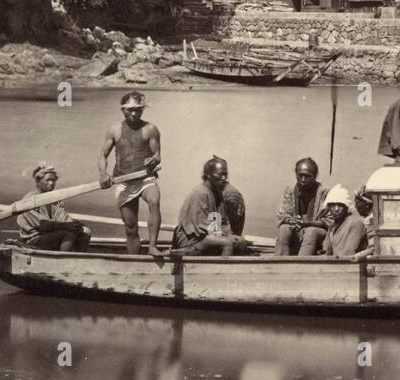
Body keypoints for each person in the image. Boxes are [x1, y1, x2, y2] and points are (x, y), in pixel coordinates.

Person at [98, 91, 163, 257]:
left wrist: (153, 161)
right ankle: (133, 260)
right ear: (122, 109)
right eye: (130, 110)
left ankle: (152, 247)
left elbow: (157, 155)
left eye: (138, 110)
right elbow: (102, 156)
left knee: (154, 200)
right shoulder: (114, 130)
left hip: (145, 178)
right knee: (130, 228)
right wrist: (103, 174)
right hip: (123, 181)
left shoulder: (150, 129)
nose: (134, 113)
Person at [171, 156, 248, 256]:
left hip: (207, 236)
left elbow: (222, 222)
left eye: (225, 174)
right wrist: (225, 237)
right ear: (208, 175)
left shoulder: (217, 193)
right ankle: (220, 270)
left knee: (240, 241)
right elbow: (200, 229)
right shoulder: (200, 193)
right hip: (191, 239)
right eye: (220, 174)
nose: (224, 178)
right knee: (227, 243)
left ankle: (232, 269)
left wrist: (230, 235)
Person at [17, 164, 91, 252]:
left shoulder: (55, 199)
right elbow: (42, 224)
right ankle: (63, 262)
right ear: (38, 181)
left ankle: (79, 260)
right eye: (48, 180)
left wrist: (74, 224)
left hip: (51, 235)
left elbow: (62, 218)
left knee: (85, 231)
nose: (51, 183)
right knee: (68, 234)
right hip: (34, 239)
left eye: (53, 180)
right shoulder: (28, 200)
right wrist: (67, 225)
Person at [275, 157, 330, 256]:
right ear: (296, 174)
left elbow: (329, 221)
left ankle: (301, 265)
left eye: (307, 176)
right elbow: (282, 214)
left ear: (315, 176)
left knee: (310, 232)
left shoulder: (324, 192)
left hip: (317, 234)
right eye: (300, 175)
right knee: (284, 229)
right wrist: (291, 220)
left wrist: (307, 223)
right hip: (297, 231)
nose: (303, 180)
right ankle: (279, 264)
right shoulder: (290, 190)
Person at [318, 187, 367, 258]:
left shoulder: (356, 223)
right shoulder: (332, 226)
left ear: (346, 207)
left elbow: (349, 252)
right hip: (336, 264)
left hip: (351, 265)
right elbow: (327, 251)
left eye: (340, 205)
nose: (336, 209)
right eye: (332, 205)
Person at [353, 188, 376, 258]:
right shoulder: (372, 219)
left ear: (367, 205)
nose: (355, 206)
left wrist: (356, 256)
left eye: (358, 203)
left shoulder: (370, 221)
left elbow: (373, 248)